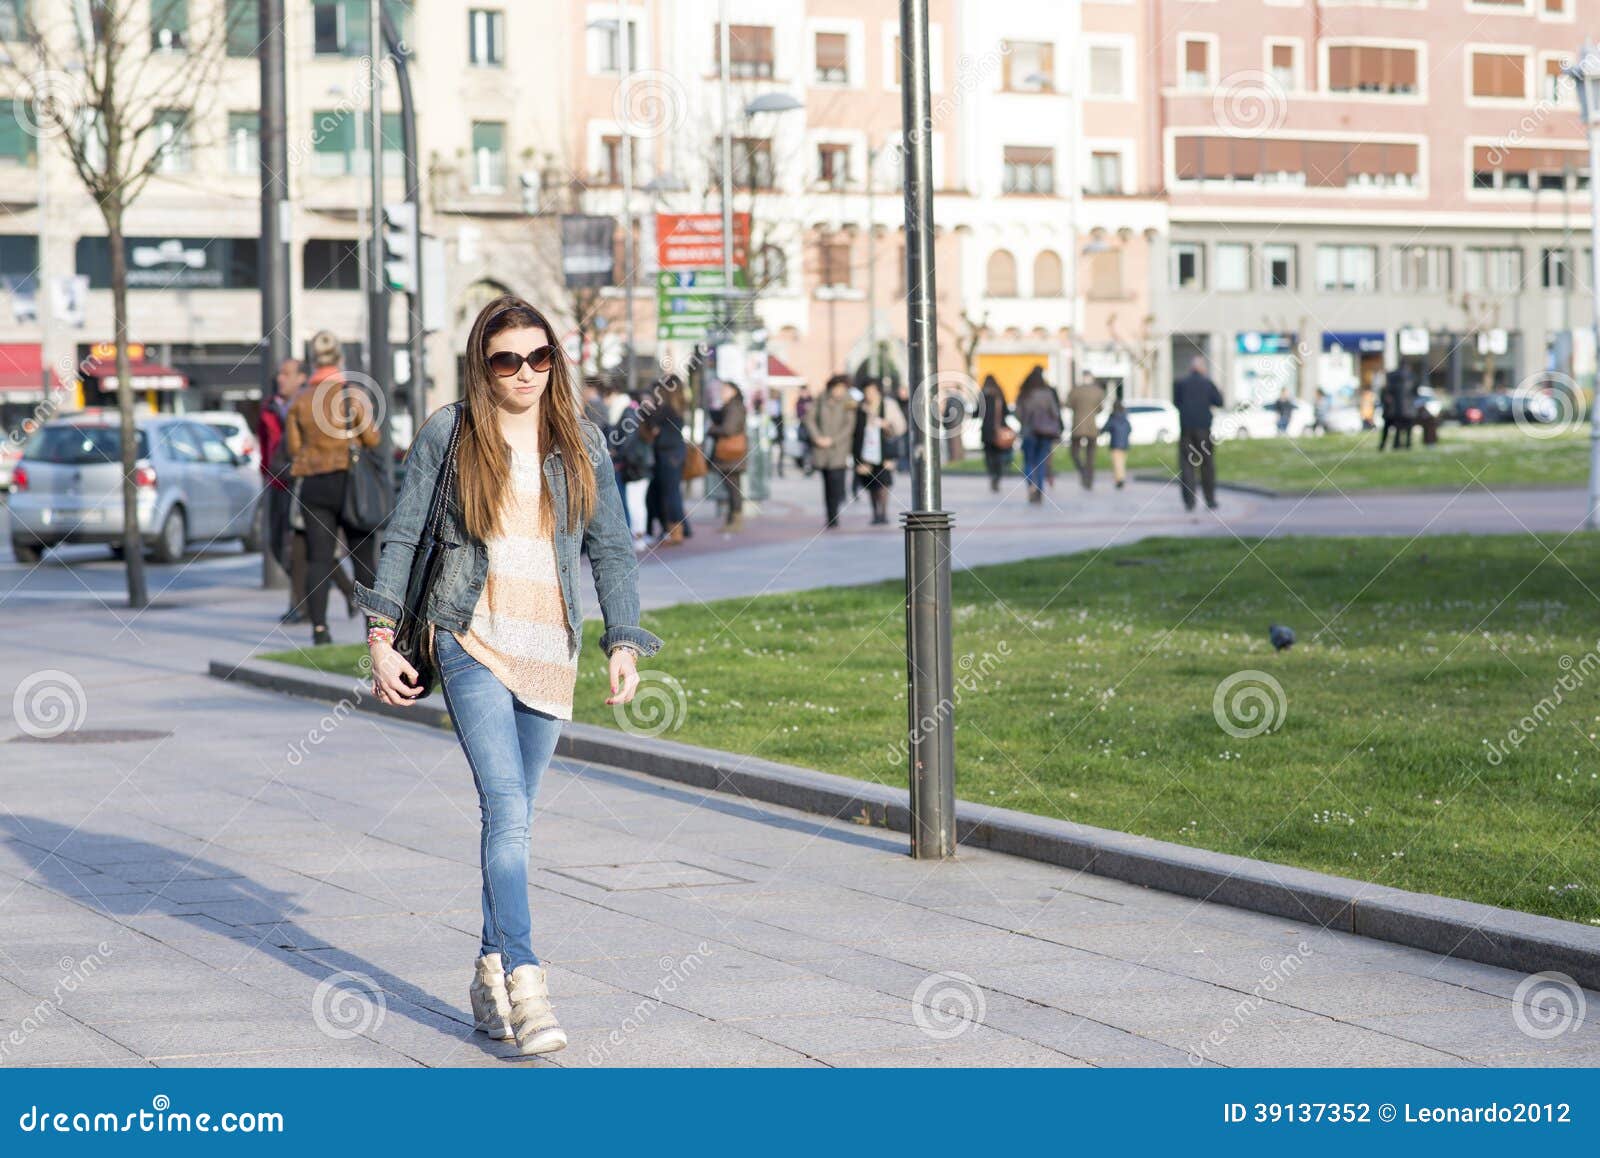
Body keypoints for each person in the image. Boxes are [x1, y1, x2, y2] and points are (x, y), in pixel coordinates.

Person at [357, 294, 661, 1058]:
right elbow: (403, 534)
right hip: (471, 635)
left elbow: (613, 549)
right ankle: (527, 981)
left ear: (554, 360)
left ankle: (487, 968)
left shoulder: (580, 440)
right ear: (482, 364)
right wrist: (380, 634)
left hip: (549, 648)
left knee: (515, 815)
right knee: (506, 807)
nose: (525, 372)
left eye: (539, 357)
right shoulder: (451, 433)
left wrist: (622, 640)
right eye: (506, 360)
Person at [285, 331, 381, 645]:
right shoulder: (350, 395)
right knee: (364, 560)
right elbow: (372, 439)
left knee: (319, 558)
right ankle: (374, 632)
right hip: (349, 483)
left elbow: (293, 448)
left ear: (312, 361)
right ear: (339, 359)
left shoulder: (300, 400)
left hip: (314, 484)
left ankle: (320, 631)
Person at [257, 357, 302, 622]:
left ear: (301, 378)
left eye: (286, 374)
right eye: (279, 374)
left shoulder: (307, 406)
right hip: (275, 483)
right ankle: (308, 594)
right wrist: (265, 471)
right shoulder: (270, 407)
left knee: (294, 546)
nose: (280, 379)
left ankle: (300, 603)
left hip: (298, 483)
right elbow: (264, 444)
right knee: (275, 543)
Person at [1173, 355, 1224, 512]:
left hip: (1186, 429)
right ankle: (1210, 499)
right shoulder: (1207, 383)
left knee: (1187, 465)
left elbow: (1176, 403)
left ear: (1191, 368)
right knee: (1207, 464)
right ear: (1202, 368)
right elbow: (1219, 401)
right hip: (1204, 429)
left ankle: (1189, 502)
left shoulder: (1181, 383)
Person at [642, 375, 688, 546]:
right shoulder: (677, 406)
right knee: (670, 492)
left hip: (668, 454)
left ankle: (676, 532)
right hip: (674, 452)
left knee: (670, 494)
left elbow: (652, 424)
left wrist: (646, 408)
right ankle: (677, 529)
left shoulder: (666, 408)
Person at [805, 374, 855, 528]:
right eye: (836, 388)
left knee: (836, 480)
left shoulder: (849, 402)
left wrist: (832, 440)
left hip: (839, 448)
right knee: (827, 483)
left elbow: (849, 426)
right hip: (821, 449)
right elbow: (809, 419)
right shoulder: (821, 399)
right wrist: (817, 437)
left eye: (842, 388)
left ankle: (836, 509)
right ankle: (830, 515)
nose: (838, 391)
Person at [852, 379, 904, 525]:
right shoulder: (860, 408)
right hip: (866, 452)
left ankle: (883, 513)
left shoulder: (888, 406)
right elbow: (855, 433)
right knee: (871, 484)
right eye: (867, 392)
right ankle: (875, 513)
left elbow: (901, 427)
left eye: (872, 391)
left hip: (885, 452)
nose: (869, 395)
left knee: (884, 482)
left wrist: (887, 424)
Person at [1012, 365, 1063, 504]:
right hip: (1045, 433)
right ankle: (1039, 489)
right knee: (1041, 463)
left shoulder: (1024, 393)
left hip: (1029, 432)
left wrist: (1025, 421)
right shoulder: (1047, 393)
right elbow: (1055, 412)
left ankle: (1031, 487)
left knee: (1028, 462)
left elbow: (1017, 413)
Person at [708, 380, 747, 532]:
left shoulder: (734, 407)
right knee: (732, 487)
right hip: (730, 455)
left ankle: (735, 521)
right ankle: (732, 520)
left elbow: (728, 429)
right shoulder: (730, 406)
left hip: (731, 454)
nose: (722, 393)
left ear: (733, 391)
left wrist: (712, 430)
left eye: (725, 390)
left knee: (733, 488)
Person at [1066, 371, 1106, 490]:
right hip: (1091, 426)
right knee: (1091, 455)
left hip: (1077, 425)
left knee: (1074, 452)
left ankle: (1082, 470)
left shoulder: (1075, 390)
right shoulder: (1098, 391)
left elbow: (1069, 405)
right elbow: (1100, 408)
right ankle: (1089, 479)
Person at [979, 374, 1013, 492]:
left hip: (987, 431)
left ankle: (992, 474)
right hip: (998, 431)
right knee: (998, 455)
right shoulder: (999, 394)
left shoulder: (983, 395)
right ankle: (997, 476)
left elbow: (978, 412)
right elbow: (1006, 411)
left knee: (989, 456)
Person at [1102, 399, 1132, 489]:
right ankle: (1121, 478)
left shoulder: (1112, 416)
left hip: (1115, 442)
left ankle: (1119, 479)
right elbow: (1129, 429)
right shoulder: (1125, 416)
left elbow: (1107, 427)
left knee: (1116, 462)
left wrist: (1100, 431)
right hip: (1125, 443)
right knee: (1122, 462)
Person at [794, 384, 814, 474]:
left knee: (811, 449)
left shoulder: (812, 401)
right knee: (804, 449)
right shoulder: (799, 402)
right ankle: (806, 466)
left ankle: (812, 465)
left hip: (812, 428)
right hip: (803, 428)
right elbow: (799, 415)